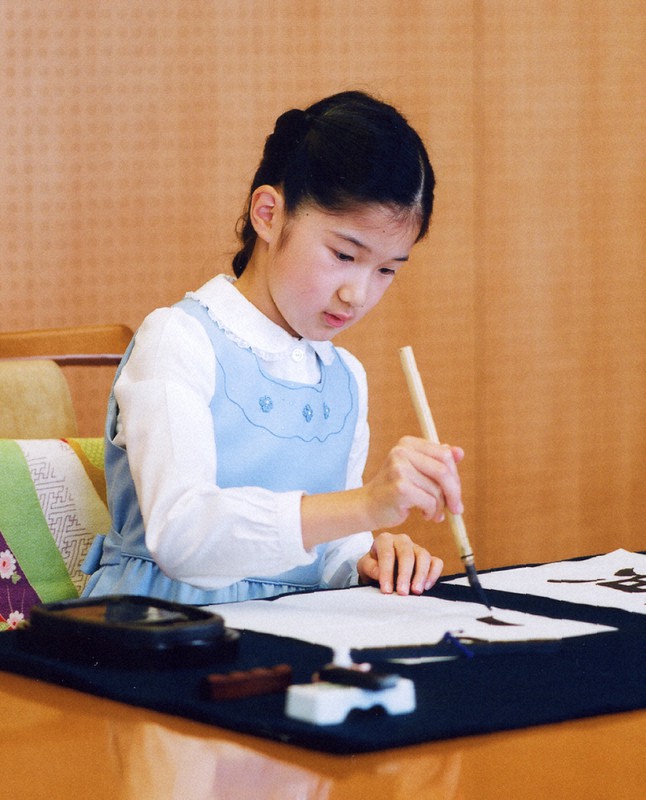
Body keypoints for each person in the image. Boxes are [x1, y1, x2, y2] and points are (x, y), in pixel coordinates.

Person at [82, 90, 464, 605]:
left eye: (387, 270)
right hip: (162, 632)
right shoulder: (178, 339)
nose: (358, 293)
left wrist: (367, 560)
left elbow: (327, 555)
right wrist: (366, 505)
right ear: (268, 214)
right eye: (345, 254)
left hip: (289, 636)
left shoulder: (345, 378)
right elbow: (181, 535)